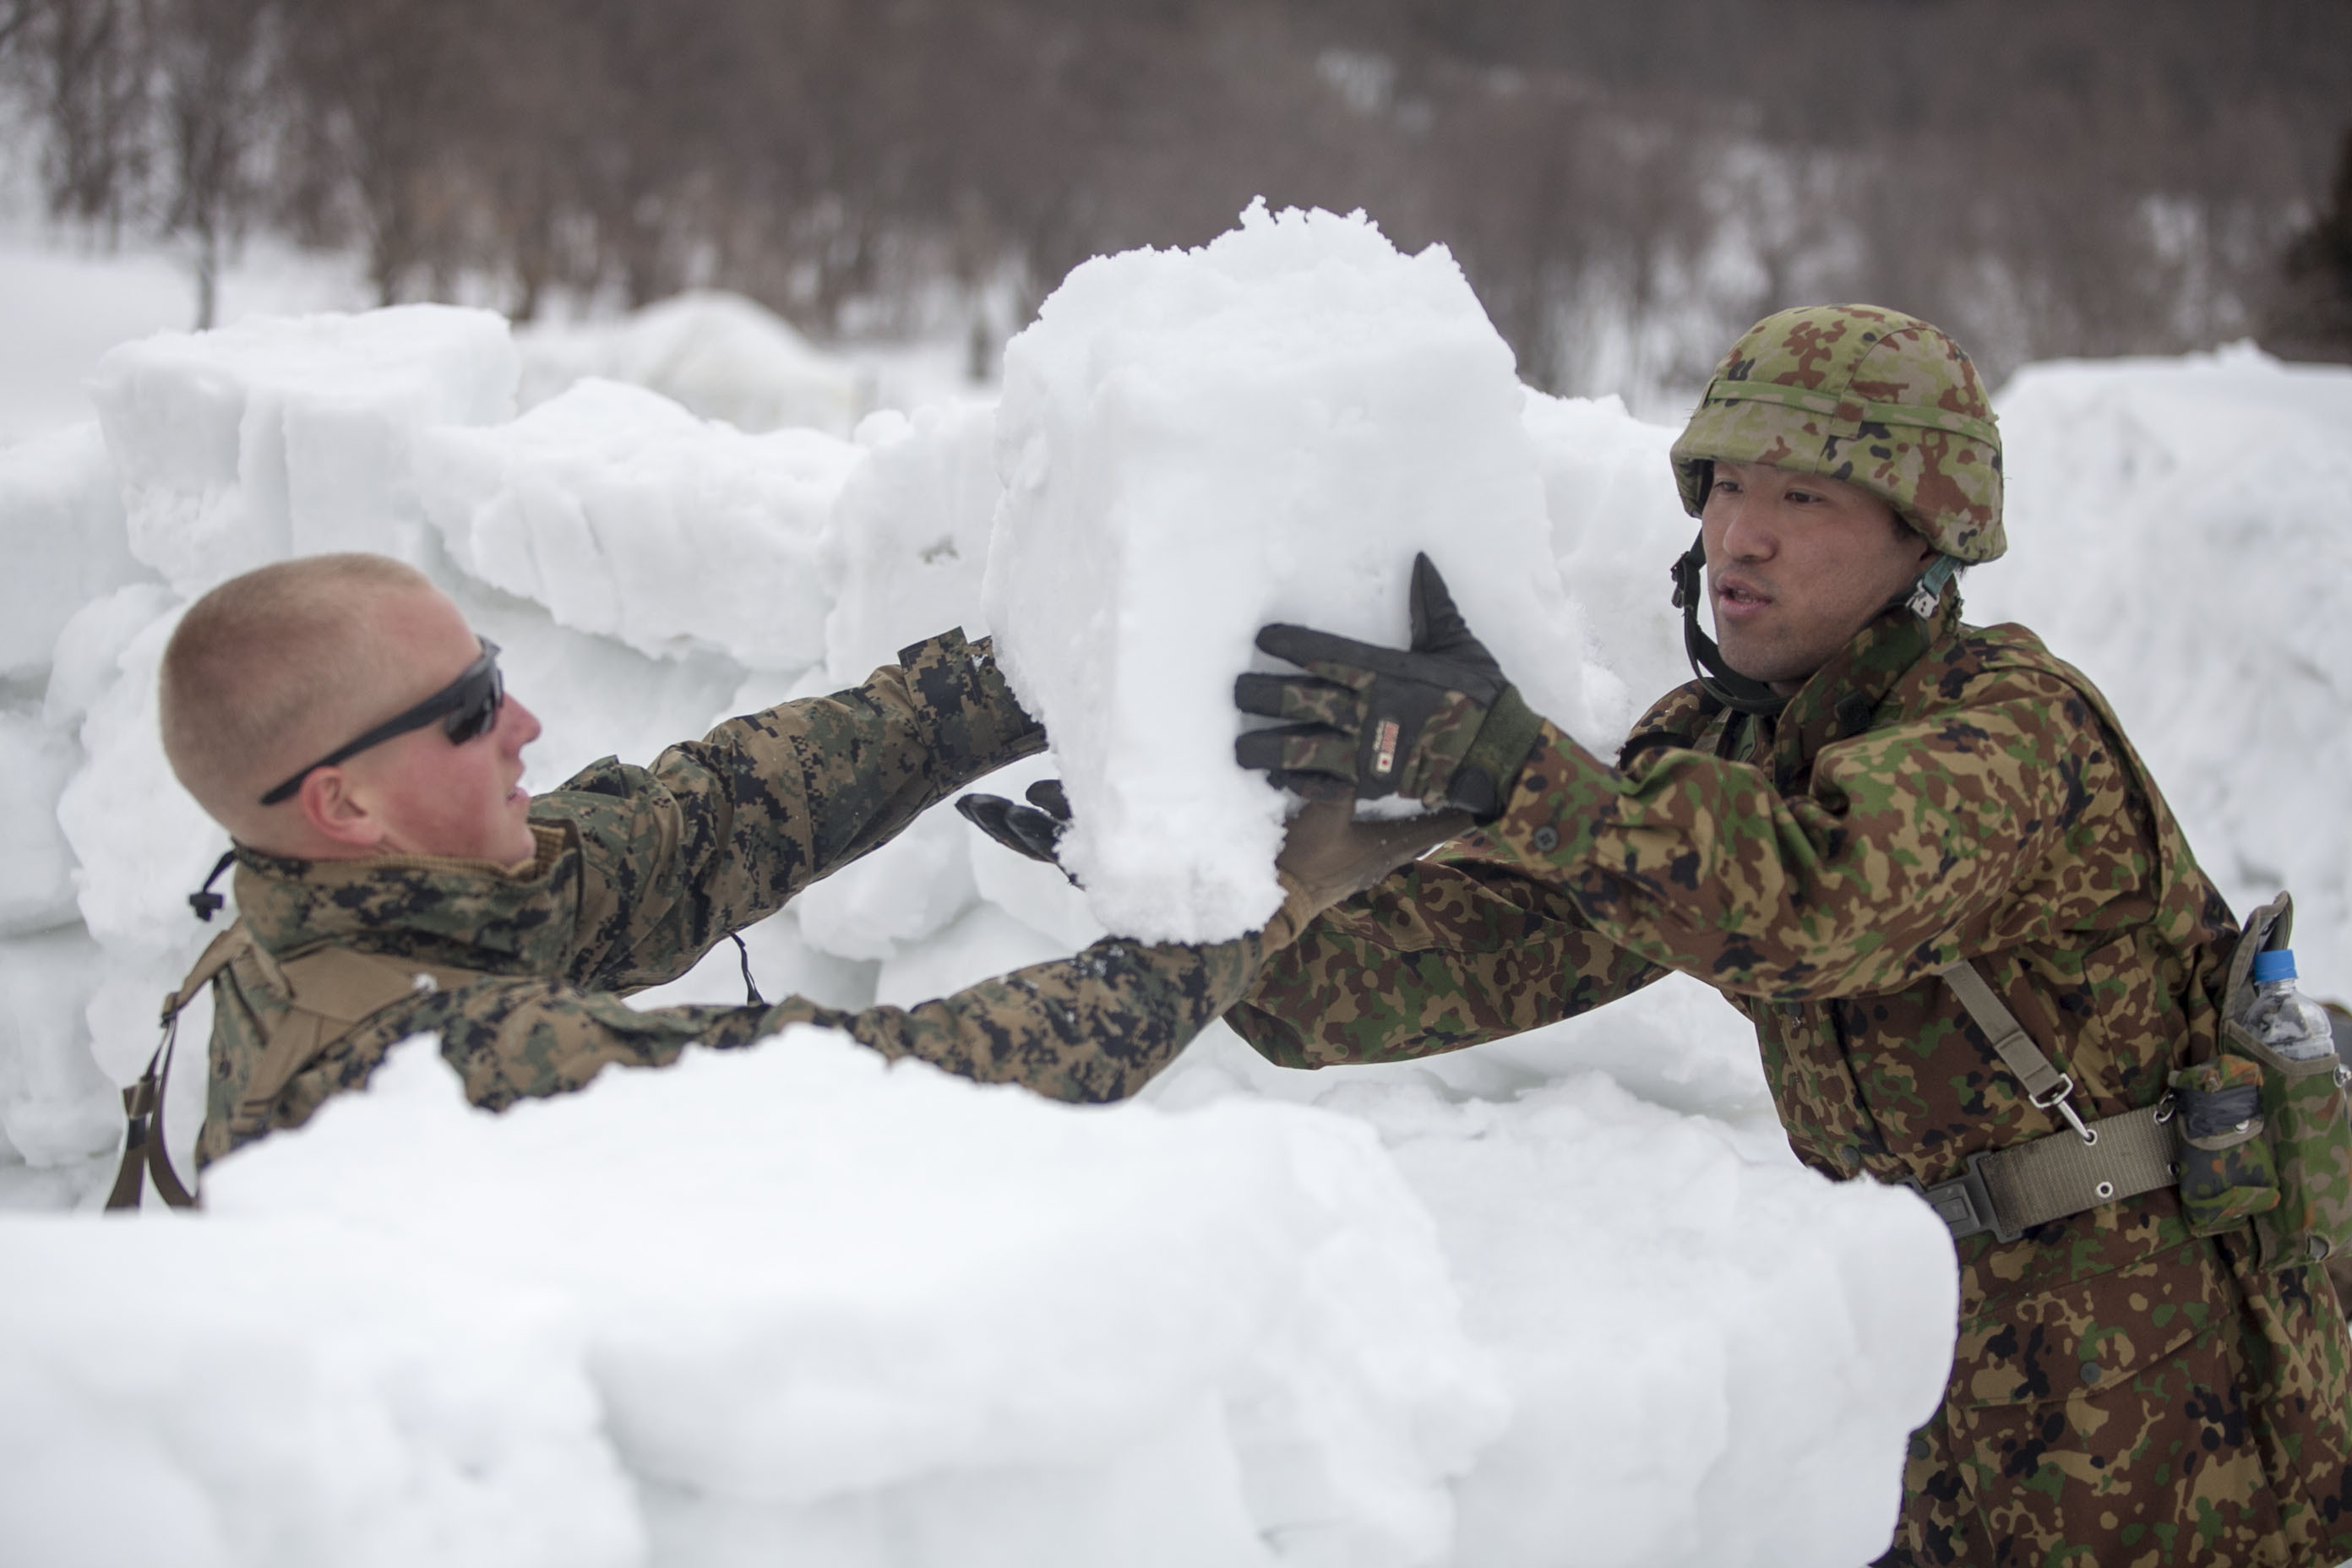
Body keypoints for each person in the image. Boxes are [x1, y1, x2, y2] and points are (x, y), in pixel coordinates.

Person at [1220, 304, 2352, 1565]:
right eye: (1728, 486)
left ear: (1923, 536)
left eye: (1807, 498)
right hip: (1909, 1378)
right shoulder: (1721, 745)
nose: (1738, 536)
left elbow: (1812, 902)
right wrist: (1210, 892)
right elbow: (1460, 956)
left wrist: (1506, 762)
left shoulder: (2017, 737)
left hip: (2157, 1399)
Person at [123, 552, 1442, 1206]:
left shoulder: (364, 906)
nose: (523, 727)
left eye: (497, 674)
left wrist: (1023, 670)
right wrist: (1254, 904)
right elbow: (901, 1096)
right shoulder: (421, 1065)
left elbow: (707, 824)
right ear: (341, 801)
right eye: (468, 712)